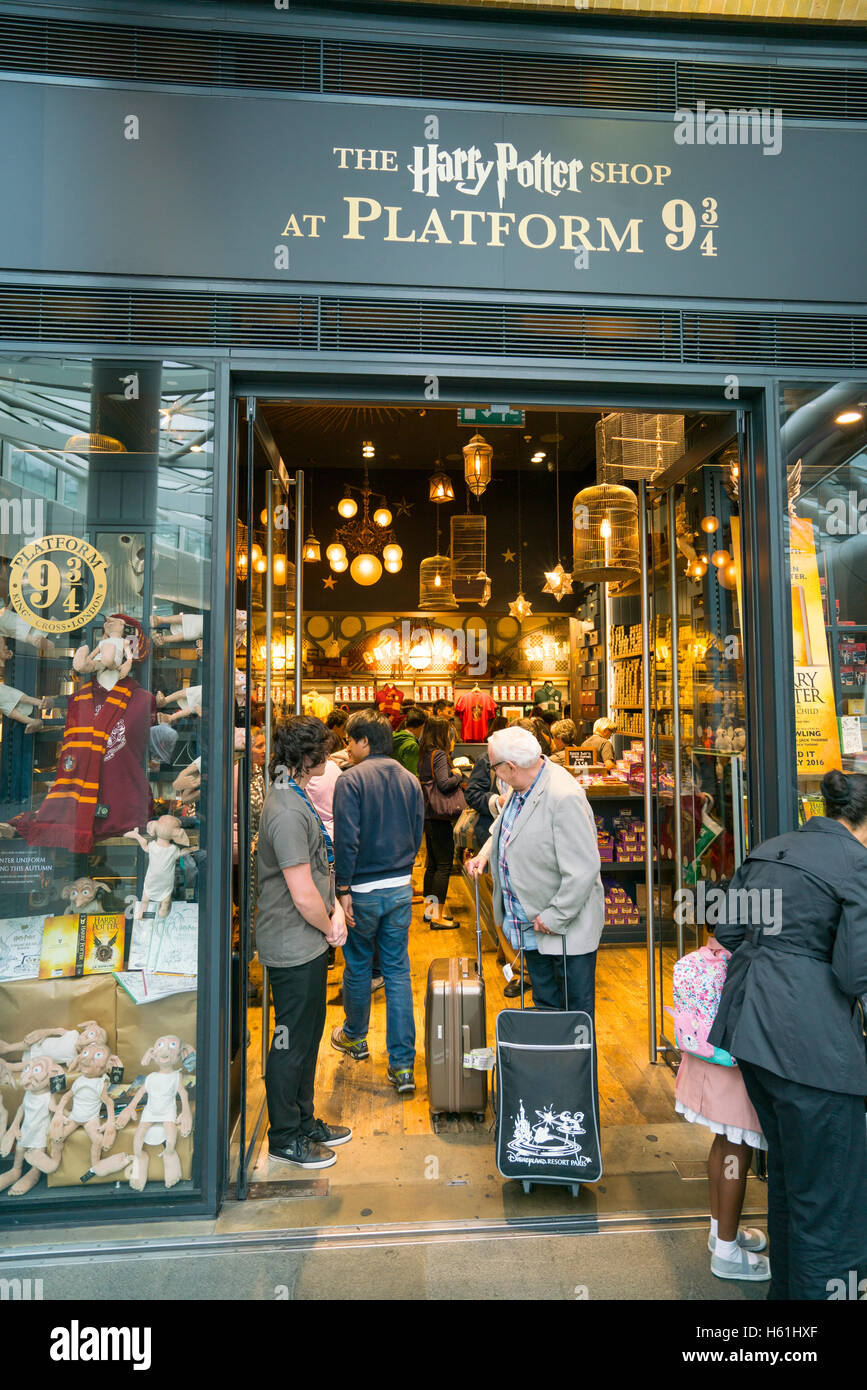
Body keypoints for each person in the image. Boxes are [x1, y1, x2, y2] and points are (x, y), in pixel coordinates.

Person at [708, 768, 867, 1301]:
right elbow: (854, 971)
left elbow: (726, 929)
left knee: (793, 1182)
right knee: (831, 1198)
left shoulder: (770, 849)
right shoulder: (857, 864)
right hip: (812, 1045)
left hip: (750, 1031)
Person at [255, 716, 350, 1169]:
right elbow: (301, 890)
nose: (328, 760)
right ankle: (284, 1135)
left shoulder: (291, 794)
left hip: (305, 941)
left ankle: (303, 1119)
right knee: (290, 1041)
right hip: (294, 941)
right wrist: (331, 920)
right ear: (306, 759)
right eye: (322, 754)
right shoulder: (288, 810)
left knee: (307, 1036)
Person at [466, 725, 604, 1021]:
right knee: (546, 1006)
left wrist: (555, 916)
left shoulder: (563, 796)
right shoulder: (523, 787)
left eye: (494, 767)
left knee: (572, 1015)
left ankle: (571, 1067)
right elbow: (508, 826)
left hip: (561, 930)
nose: (494, 773)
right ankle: (548, 1065)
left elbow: (583, 869)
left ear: (511, 767)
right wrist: (485, 854)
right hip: (534, 927)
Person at [331, 710, 424, 1094]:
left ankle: (354, 1036)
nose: (347, 748)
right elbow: (418, 833)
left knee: (357, 965)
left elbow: (347, 840)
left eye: (350, 741)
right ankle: (402, 1066)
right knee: (397, 972)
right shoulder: (411, 780)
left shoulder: (350, 780)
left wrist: (343, 890)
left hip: (363, 889)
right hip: (401, 886)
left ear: (365, 741)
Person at [674, 937, 770, 1283]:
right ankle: (727, 1253)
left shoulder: (714, 951)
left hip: (706, 1053)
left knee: (724, 1141)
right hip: (731, 1060)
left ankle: (720, 1231)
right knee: (735, 1148)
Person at [417, 716, 467, 930]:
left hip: (429, 813)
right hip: (439, 815)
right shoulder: (439, 754)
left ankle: (430, 913)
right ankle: (437, 917)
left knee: (433, 865)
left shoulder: (425, 753)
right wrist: (457, 775)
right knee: (444, 866)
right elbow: (445, 784)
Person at [391, 706, 427, 776]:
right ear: (422, 726)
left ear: (405, 723)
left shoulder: (392, 736)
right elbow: (411, 774)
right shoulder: (412, 745)